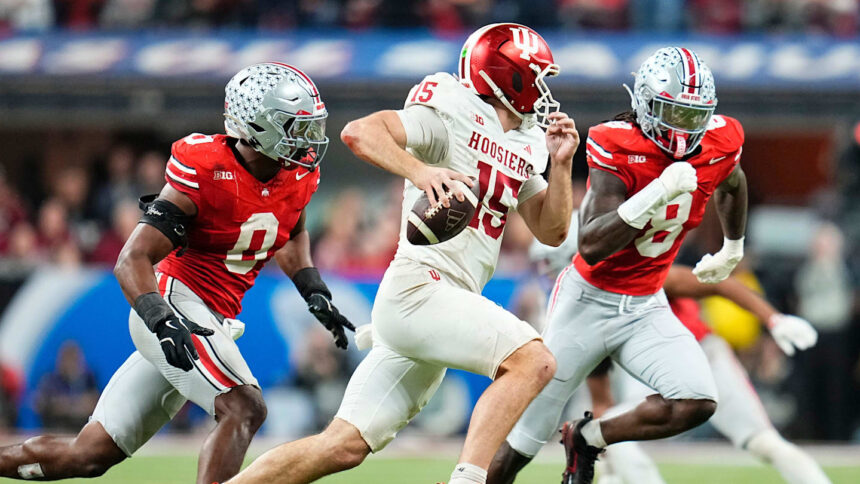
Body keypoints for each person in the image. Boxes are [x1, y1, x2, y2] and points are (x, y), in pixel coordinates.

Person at [226, 22, 577, 484]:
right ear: (507, 77)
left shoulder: (528, 140)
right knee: (534, 361)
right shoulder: (452, 109)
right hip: (420, 289)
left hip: (447, 299)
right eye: (536, 77)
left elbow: (552, 231)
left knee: (342, 446)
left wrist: (563, 163)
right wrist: (423, 171)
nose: (543, 89)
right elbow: (359, 133)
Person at [0, 62, 355, 484]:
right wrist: (163, 321)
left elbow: (291, 228)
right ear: (258, 127)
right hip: (172, 303)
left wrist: (312, 286)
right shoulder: (206, 168)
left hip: (210, 318)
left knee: (88, 455)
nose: (308, 138)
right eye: (294, 126)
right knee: (244, 406)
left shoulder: (298, 174)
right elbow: (131, 259)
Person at [488, 47, 749, 484]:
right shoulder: (615, 141)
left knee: (697, 400)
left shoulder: (723, 140)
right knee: (523, 442)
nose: (684, 129)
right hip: (588, 301)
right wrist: (658, 192)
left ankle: (588, 437)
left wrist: (733, 246)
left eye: (693, 115)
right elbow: (591, 245)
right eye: (673, 113)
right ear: (646, 103)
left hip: (646, 303)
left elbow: (733, 181)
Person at [586, 264, 830, 484]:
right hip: (655, 374)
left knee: (763, 442)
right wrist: (610, 467)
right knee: (607, 427)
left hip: (703, 355)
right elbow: (600, 401)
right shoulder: (591, 320)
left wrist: (773, 319)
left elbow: (720, 283)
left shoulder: (641, 277)